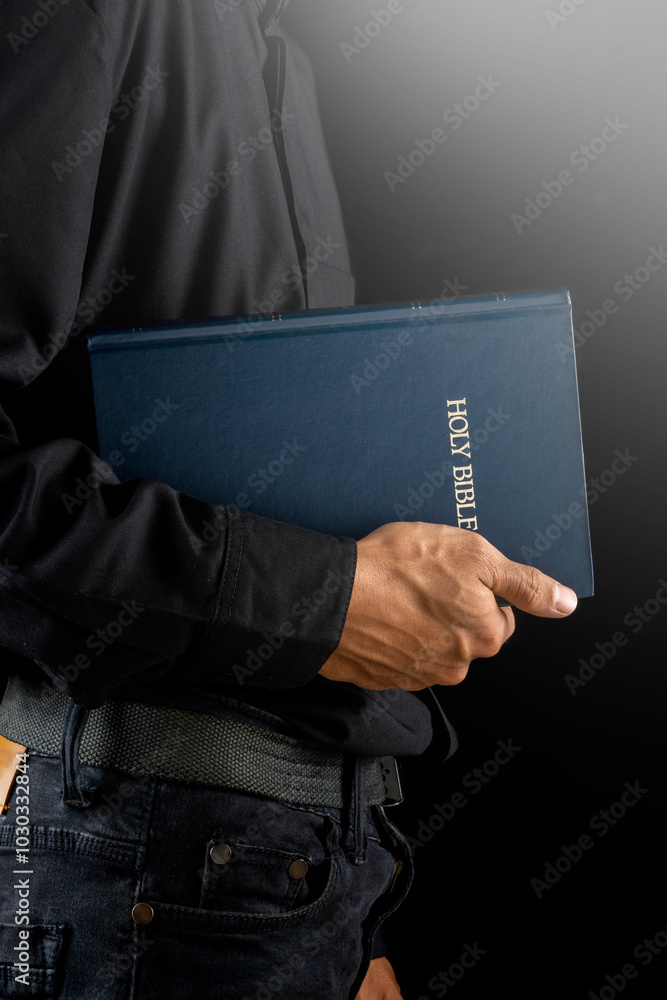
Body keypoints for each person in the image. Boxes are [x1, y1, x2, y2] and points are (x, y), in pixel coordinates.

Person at [0, 1, 577, 997]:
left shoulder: (279, 53)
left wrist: (350, 917)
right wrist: (323, 601)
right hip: (162, 860)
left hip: (307, 866)